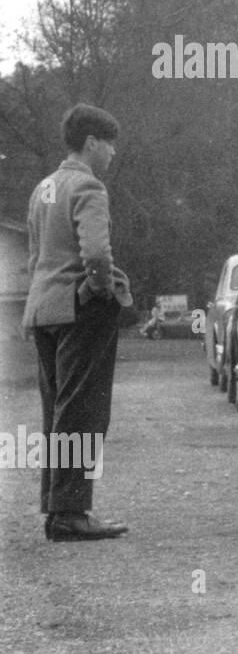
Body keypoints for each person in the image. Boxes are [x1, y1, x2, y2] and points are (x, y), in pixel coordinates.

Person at [24, 104, 132, 541]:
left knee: (57, 411)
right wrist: (99, 289)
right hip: (79, 309)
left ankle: (57, 508)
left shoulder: (44, 188)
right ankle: (71, 513)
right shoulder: (88, 186)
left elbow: (36, 256)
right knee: (83, 410)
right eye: (109, 144)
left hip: (43, 309)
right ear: (91, 142)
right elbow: (95, 255)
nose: (111, 153)